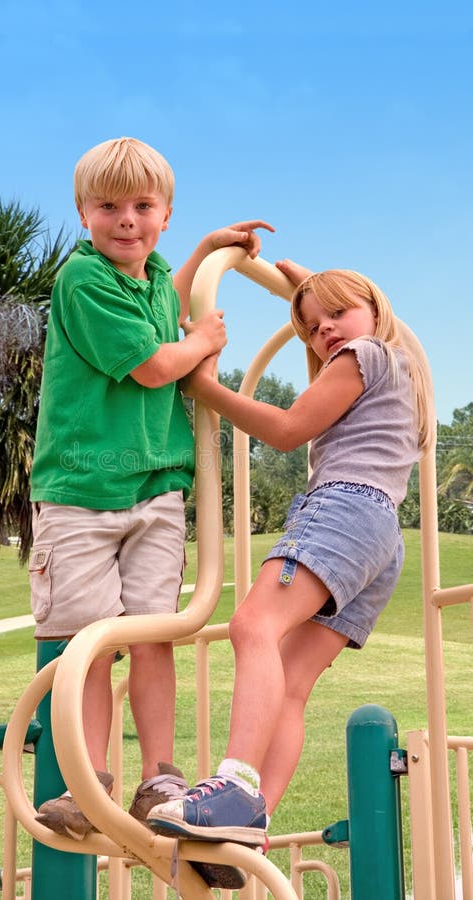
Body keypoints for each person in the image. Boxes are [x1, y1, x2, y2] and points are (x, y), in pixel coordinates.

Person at [147, 261, 435, 886]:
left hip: (343, 508)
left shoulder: (364, 353)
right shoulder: (400, 367)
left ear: (374, 310)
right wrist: (312, 287)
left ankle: (236, 786)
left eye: (337, 314)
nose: (325, 331)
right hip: (383, 536)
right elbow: (348, 312)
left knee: (252, 625)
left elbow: (283, 430)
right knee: (293, 683)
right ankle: (253, 824)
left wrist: (204, 389)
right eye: (310, 327)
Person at [29, 135, 273, 845]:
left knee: (154, 635)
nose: (126, 220)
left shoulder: (150, 275)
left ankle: (159, 777)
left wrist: (199, 255)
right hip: (82, 491)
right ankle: (87, 782)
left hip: (157, 487)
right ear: (83, 214)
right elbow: (153, 363)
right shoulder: (81, 280)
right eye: (109, 207)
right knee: (92, 643)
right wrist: (204, 340)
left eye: (143, 206)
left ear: (164, 215)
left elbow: (161, 307)